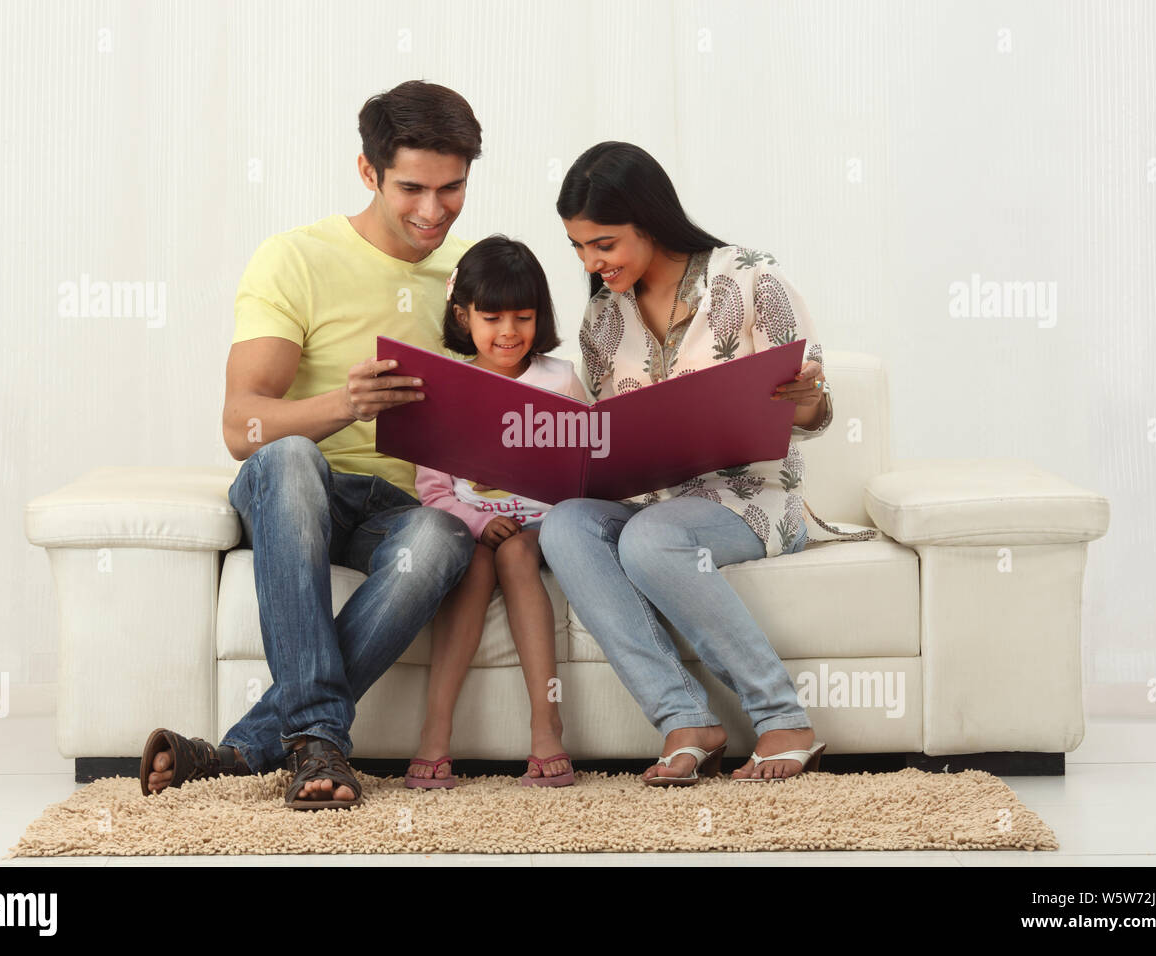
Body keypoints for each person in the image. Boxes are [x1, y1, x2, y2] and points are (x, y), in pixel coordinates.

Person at [138, 80, 485, 809]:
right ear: (368, 173)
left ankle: (258, 748)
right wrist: (343, 405)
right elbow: (243, 429)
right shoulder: (294, 258)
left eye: (451, 189)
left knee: (443, 535)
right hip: (299, 486)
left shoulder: (470, 273)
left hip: (400, 504)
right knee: (292, 456)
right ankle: (317, 733)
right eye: (412, 189)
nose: (433, 212)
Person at [539, 141, 877, 787]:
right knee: (566, 526)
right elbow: (609, 430)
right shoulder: (602, 315)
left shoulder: (751, 278)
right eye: (579, 248)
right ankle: (685, 720)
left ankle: (784, 721)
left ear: (648, 218)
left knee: (651, 538)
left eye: (603, 244)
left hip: (752, 501)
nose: (591, 262)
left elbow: (810, 413)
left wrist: (807, 400)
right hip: (654, 500)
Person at [405, 236, 586, 789]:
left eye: (523, 317)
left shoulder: (561, 379)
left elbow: (590, 466)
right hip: (475, 530)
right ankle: (436, 733)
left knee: (514, 554)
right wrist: (480, 522)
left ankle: (545, 724)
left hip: (541, 529)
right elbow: (433, 492)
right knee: (480, 561)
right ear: (463, 316)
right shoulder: (445, 388)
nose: (509, 331)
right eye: (492, 317)